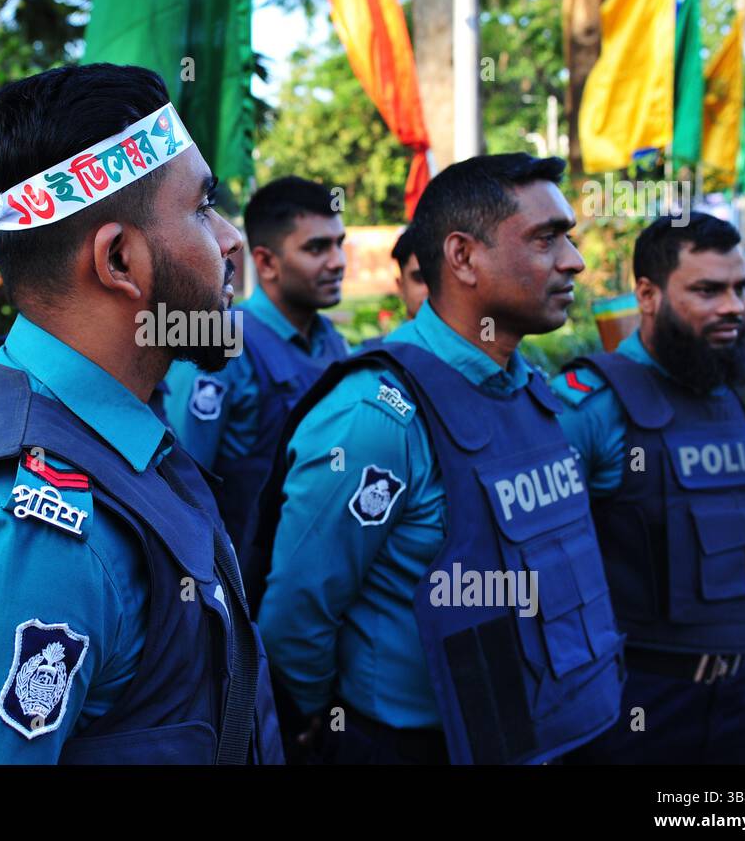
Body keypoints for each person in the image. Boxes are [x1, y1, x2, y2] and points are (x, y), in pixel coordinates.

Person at [0, 63, 283, 764]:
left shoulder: (110, 431)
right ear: (120, 258)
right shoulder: (19, 541)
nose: (232, 241)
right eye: (204, 209)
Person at [253, 153, 623, 765]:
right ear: (462, 256)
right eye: (546, 239)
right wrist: (317, 725)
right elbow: (298, 612)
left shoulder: (529, 388)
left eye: (570, 237)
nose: (573, 261)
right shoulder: (375, 415)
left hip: (540, 736)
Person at [553, 213, 745, 764]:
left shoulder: (742, 394)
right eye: (707, 290)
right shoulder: (589, 404)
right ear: (648, 295)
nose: (732, 305)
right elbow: (532, 565)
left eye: (740, 288)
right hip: (637, 706)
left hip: (744, 696)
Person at [162, 176, 350, 553]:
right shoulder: (220, 341)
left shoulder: (333, 342)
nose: (337, 262)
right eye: (317, 248)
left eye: (339, 244)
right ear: (265, 261)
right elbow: (182, 482)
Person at [391, 222, 429, 320]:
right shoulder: (397, 336)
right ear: (401, 286)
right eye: (419, 278)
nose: (430, 288)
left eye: (438, 279)